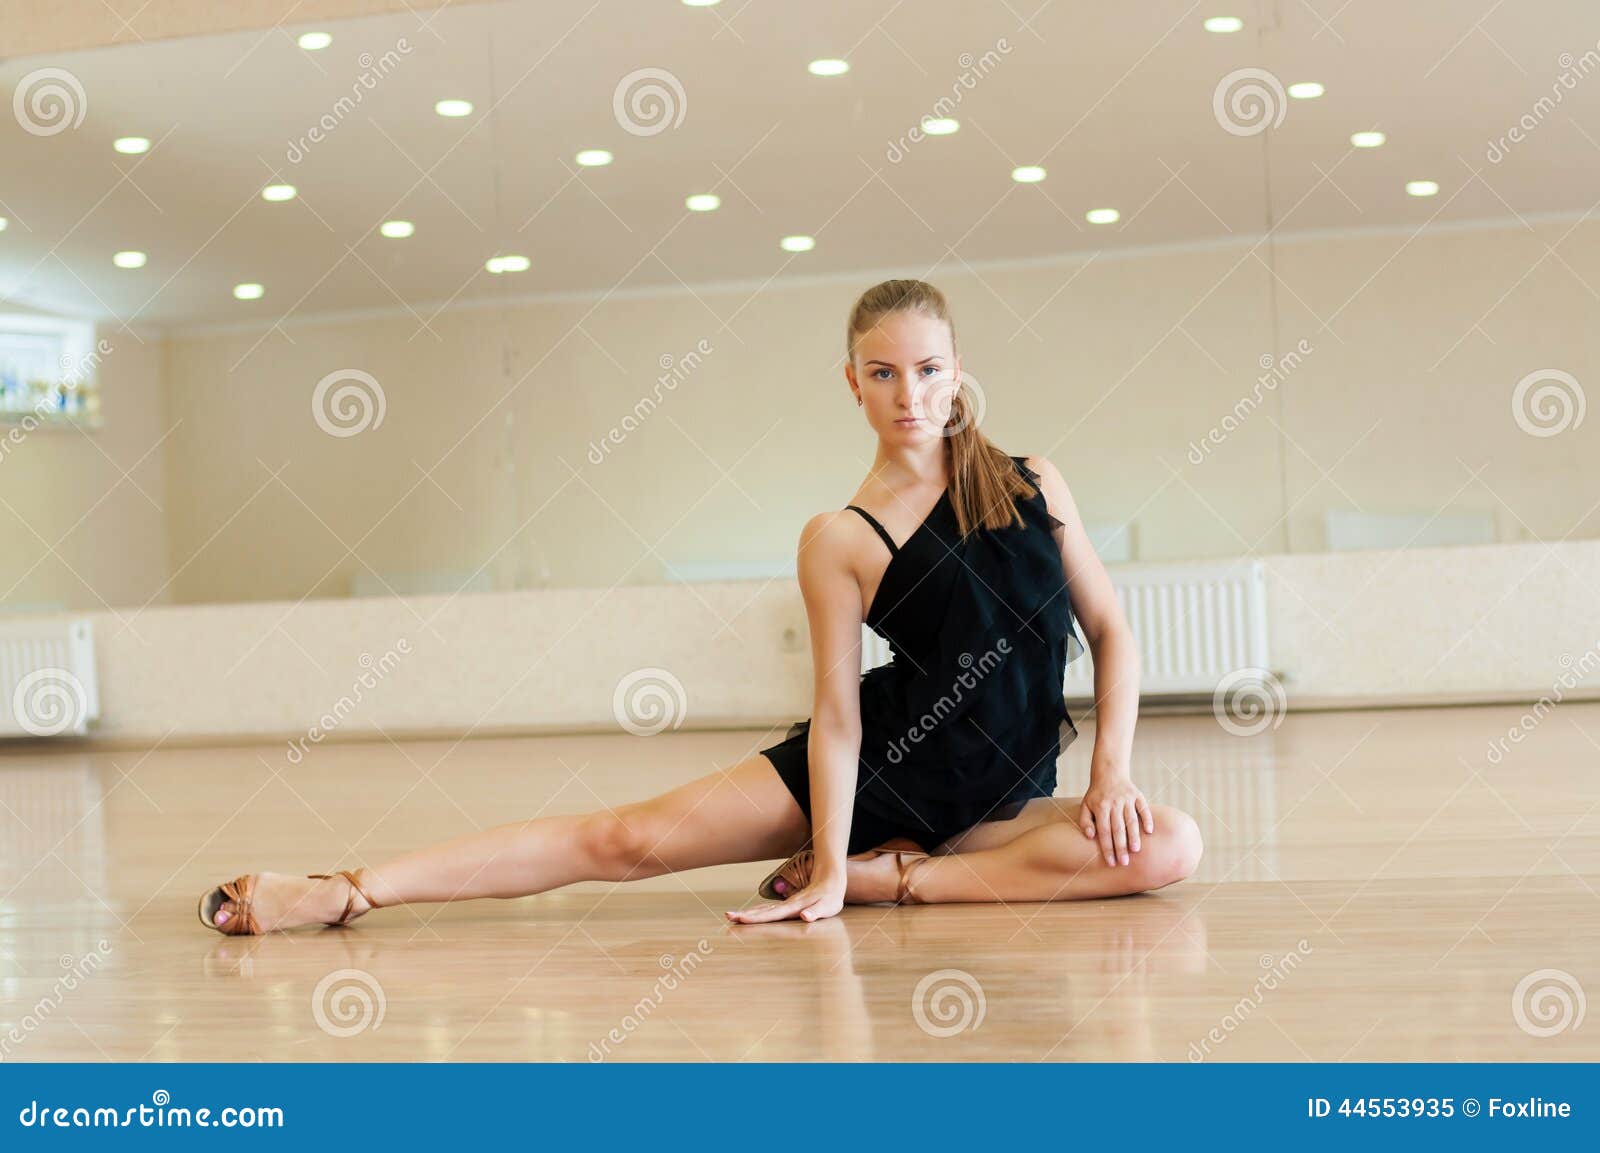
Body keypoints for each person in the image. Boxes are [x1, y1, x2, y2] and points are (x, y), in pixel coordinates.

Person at [198, 279, 1201, 936]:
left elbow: (1109, 633)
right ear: (851, 382)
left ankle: (890, 879)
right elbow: (843, 717)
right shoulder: (840, 536)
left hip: (998, 798)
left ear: (956, 372)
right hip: (888, 773)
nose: (910, 393)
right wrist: (825, 853)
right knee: (623, 841)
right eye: (884, 372)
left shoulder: (1033, 481)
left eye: (929, 369)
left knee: (1169, 844)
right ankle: (348, 888)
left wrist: (1110, 772)